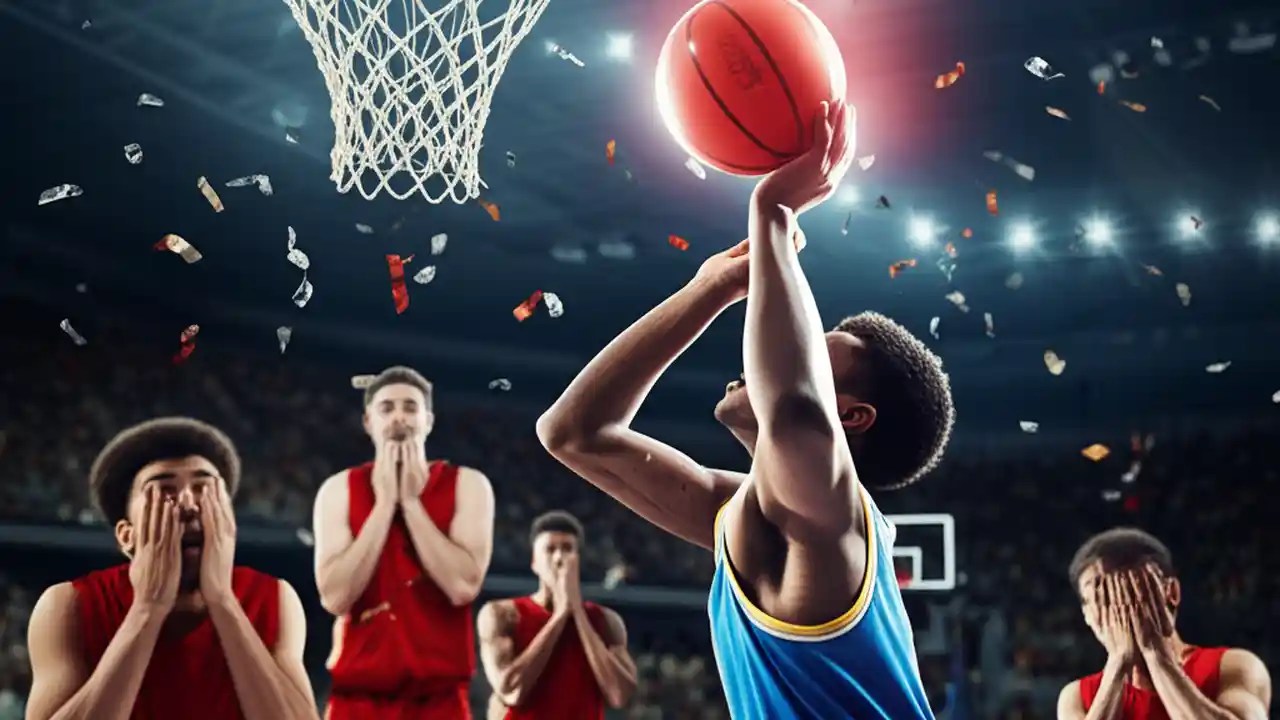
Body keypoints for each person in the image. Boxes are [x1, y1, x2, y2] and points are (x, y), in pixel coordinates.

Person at [537, 101, 954, 719]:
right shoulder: (747, 512)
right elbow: (573, 432)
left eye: (815, 355)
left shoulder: (833, 520)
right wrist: (708, 290)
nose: (791, 357)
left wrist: (775, 212)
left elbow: (794, 407)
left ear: (850, 417)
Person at [24, 417, 318, 720]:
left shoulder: (275, 598)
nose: (189, 504)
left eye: (205, 489)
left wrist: (223, 601)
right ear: (126, 535)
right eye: (163, 491)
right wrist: (148, 609)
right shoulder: (69, 604)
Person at [313, 366, 495, 719]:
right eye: (387, 408)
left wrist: (411, 503)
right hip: (358, 697)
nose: (399, 417)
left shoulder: (469, 484)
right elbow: (335, 598)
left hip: (439, 699)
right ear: (368, 422)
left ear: (428, 421)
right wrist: (384, 505)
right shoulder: (337, 490)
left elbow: (462, 587)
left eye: (410, 407)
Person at [1056, 527, 1271, 720]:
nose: (1120, 608)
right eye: (1102, 597)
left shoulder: (1233, 667)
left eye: (1131, 591)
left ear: (1171, 593)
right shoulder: (1078, 696)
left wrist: (1157, 656)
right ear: (1087, 615)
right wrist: (1118, 662)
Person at [477, 511, 636, 720]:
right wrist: (559, 616)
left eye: (567, 549)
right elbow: (512, 691)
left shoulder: (605, 621)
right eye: (550, 549)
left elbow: (619, 695)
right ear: (535, 562)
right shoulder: (503, 615)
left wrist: (577, 612)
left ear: (578, 560)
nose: (559, 558)